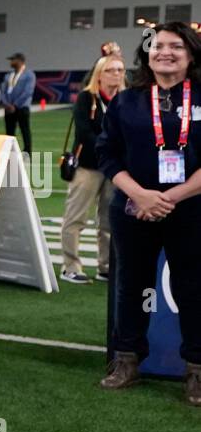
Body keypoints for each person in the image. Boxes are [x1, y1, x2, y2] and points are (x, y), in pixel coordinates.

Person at [97, 21, 201, 405]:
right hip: (132, 207)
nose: (165, 53)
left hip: (191, 208)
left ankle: (197, 369)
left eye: (176, 46)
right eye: (158, 46)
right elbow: (107, 154)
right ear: (148, 53)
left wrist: (170, 197)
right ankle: (127, 359)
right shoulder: (128, 100)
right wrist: (141, 195)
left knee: (193, 287)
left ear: (190, 54)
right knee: (134, 286)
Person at [59, 53, 124, 284]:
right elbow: (84, 132)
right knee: (75, 218)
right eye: (111, 70)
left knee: (109, 220)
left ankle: (105, 267)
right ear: (100, 73)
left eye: (120, 69)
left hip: (114, 170)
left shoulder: (125, 99)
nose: (116, 73)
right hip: (87, 166)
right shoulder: (87, 98)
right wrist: (109, 148)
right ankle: (70, 266)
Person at [0, 52, 36, 154]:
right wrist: (6, 103)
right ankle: (10, 152)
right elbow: (3, 91)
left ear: (20, 61)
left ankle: (27, 151)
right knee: (9, 131)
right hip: (8, 107)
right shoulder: (8, 75)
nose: (11, 62)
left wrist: (15, 105)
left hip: (22, 107)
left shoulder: (29, 74)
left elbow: (27, 92)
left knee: (25, 130)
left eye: (13, 60)